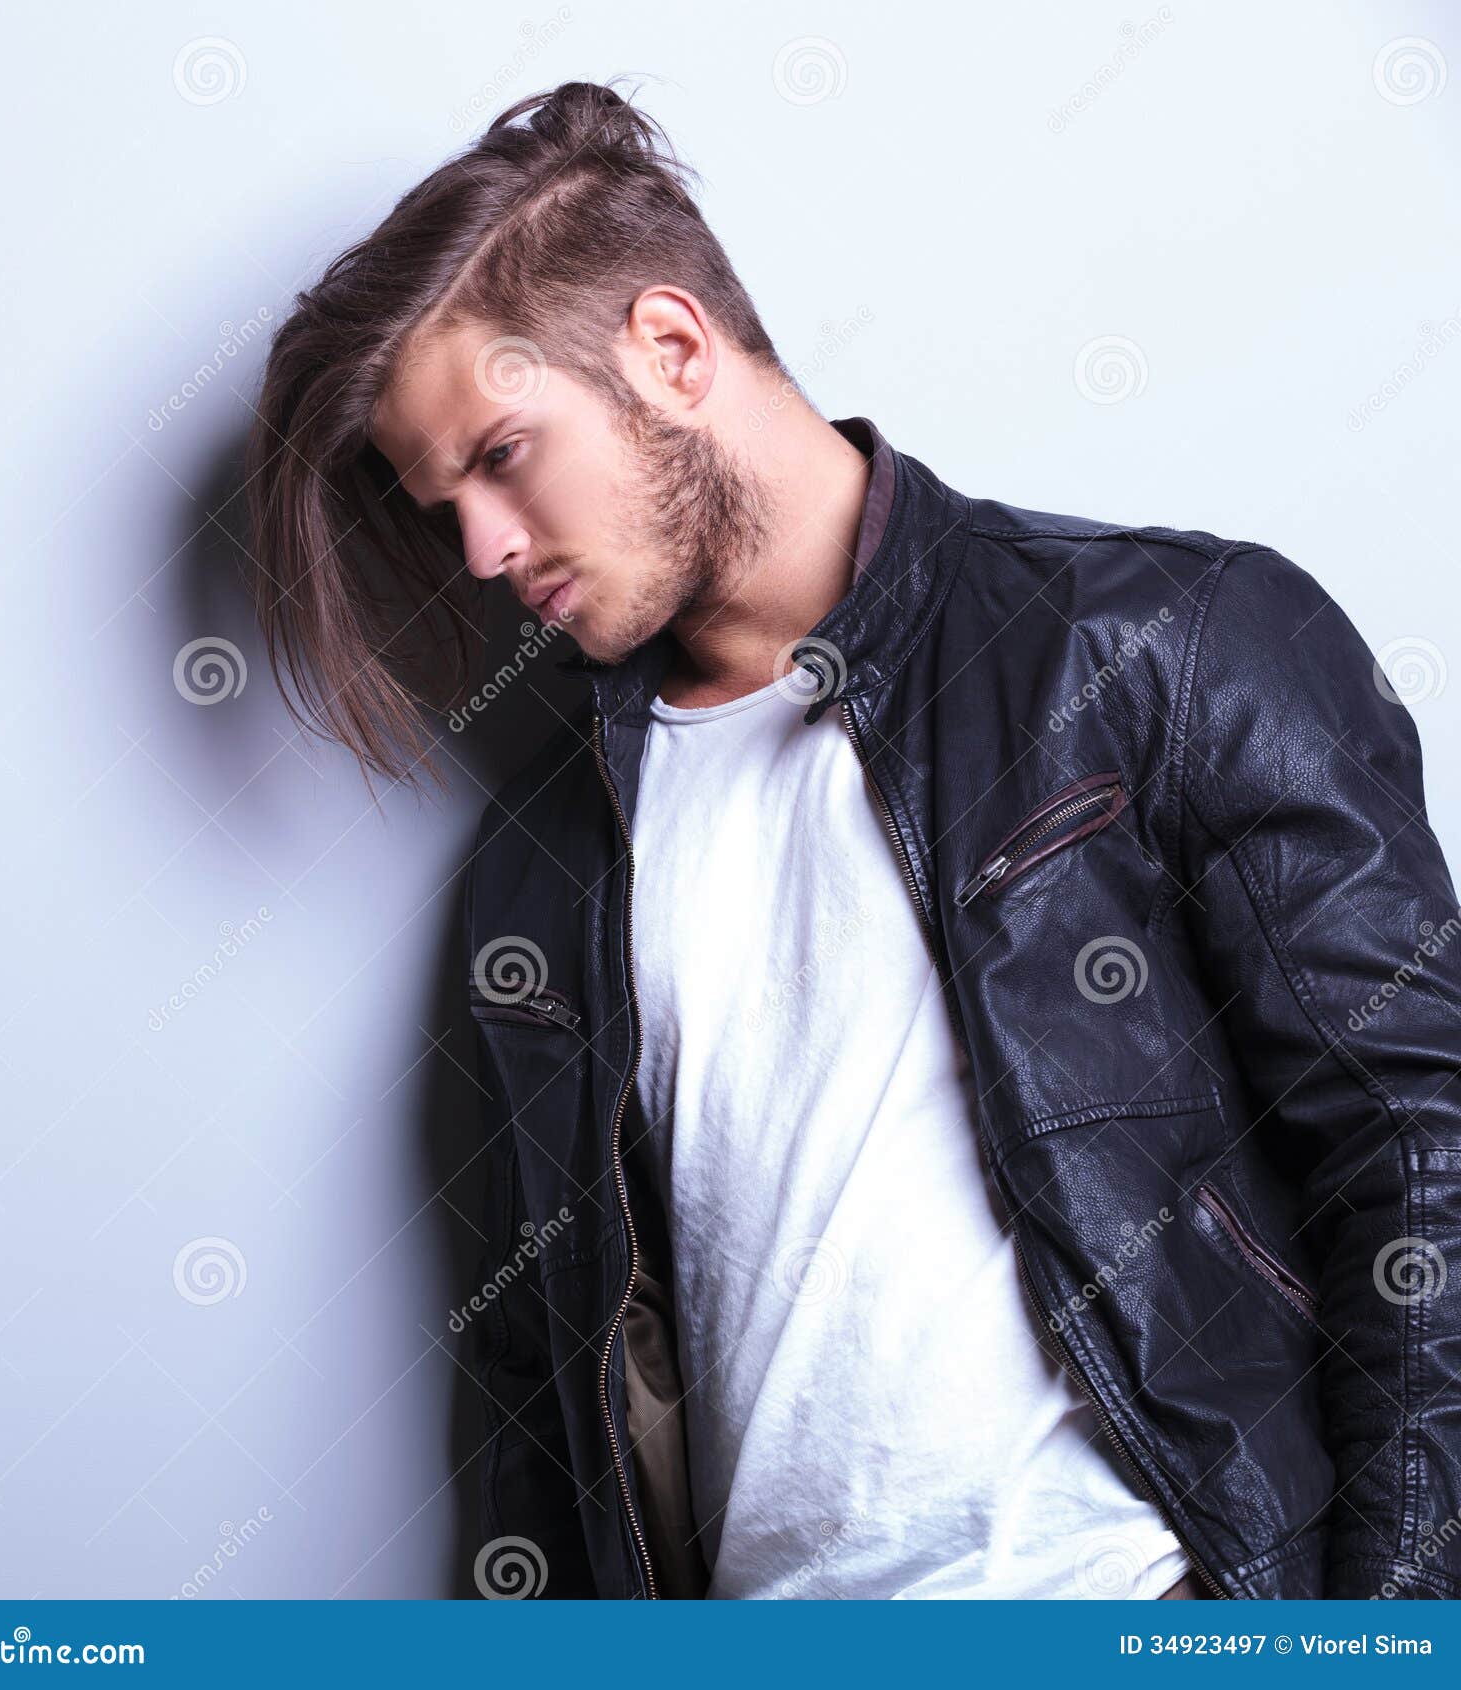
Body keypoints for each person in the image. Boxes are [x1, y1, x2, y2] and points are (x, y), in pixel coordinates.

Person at [243, 79, 1461, 1600]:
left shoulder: (1159, 643)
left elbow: (1419, 1147)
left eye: (501, 455)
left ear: (672, 350)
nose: (483, 550)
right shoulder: (545, 863)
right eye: (447, 506)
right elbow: (533, 1404)